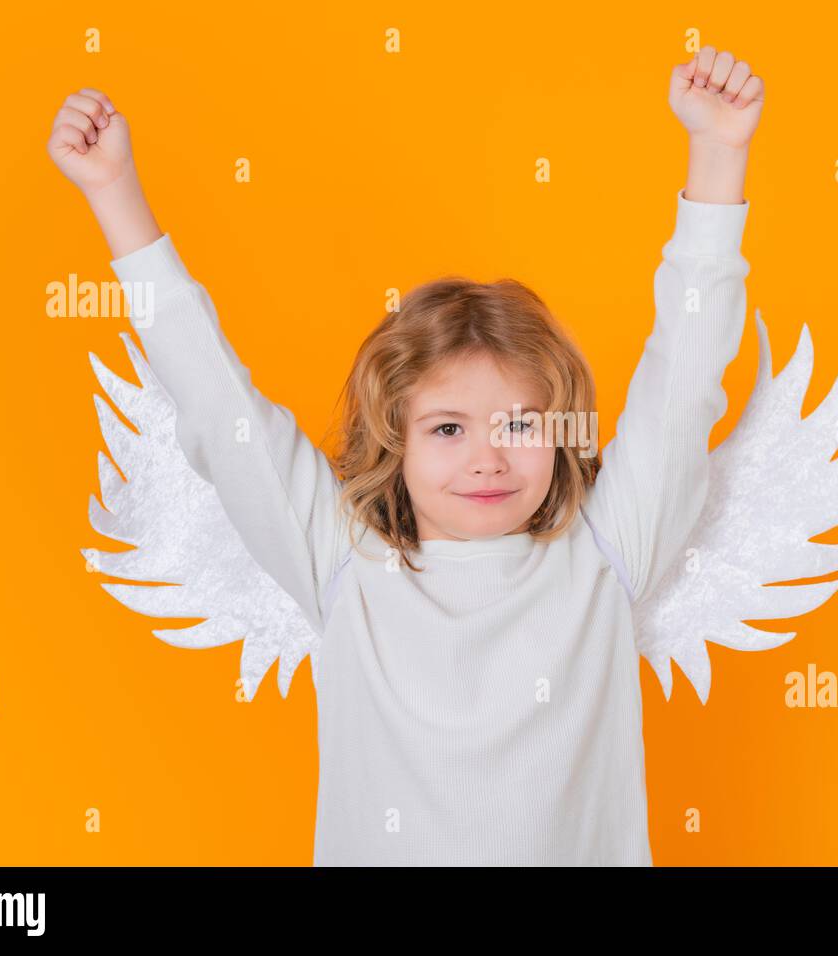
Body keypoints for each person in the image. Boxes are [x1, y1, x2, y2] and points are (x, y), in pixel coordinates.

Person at [48, 46, 763, 865]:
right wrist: (114, 193)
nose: (489, 459)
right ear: (396, 440)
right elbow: (216, 404)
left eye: (522, 426)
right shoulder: (340, 560)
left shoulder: (607, 554)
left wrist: (718, 152)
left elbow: (685, 380)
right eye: (448, 429)